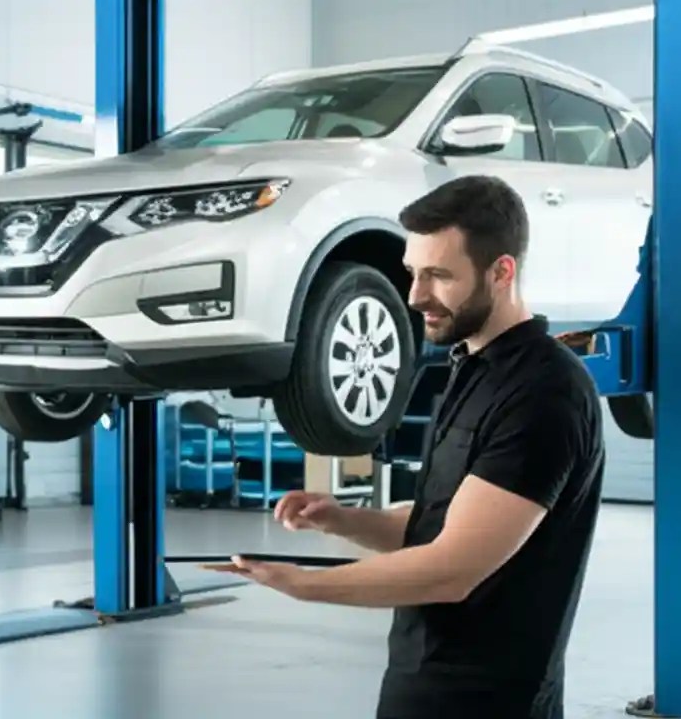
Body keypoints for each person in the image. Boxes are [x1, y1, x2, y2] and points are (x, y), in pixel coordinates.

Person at [224, 175, 605, 719]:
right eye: (413, 273)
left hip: (490, 702)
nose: (414, 296)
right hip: (420, 684)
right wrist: (345, 520)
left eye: (438, 276)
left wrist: (306, 585)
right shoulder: (471, 369)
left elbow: (454, 568)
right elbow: (445, 521)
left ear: (501, 272)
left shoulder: (544, 391)